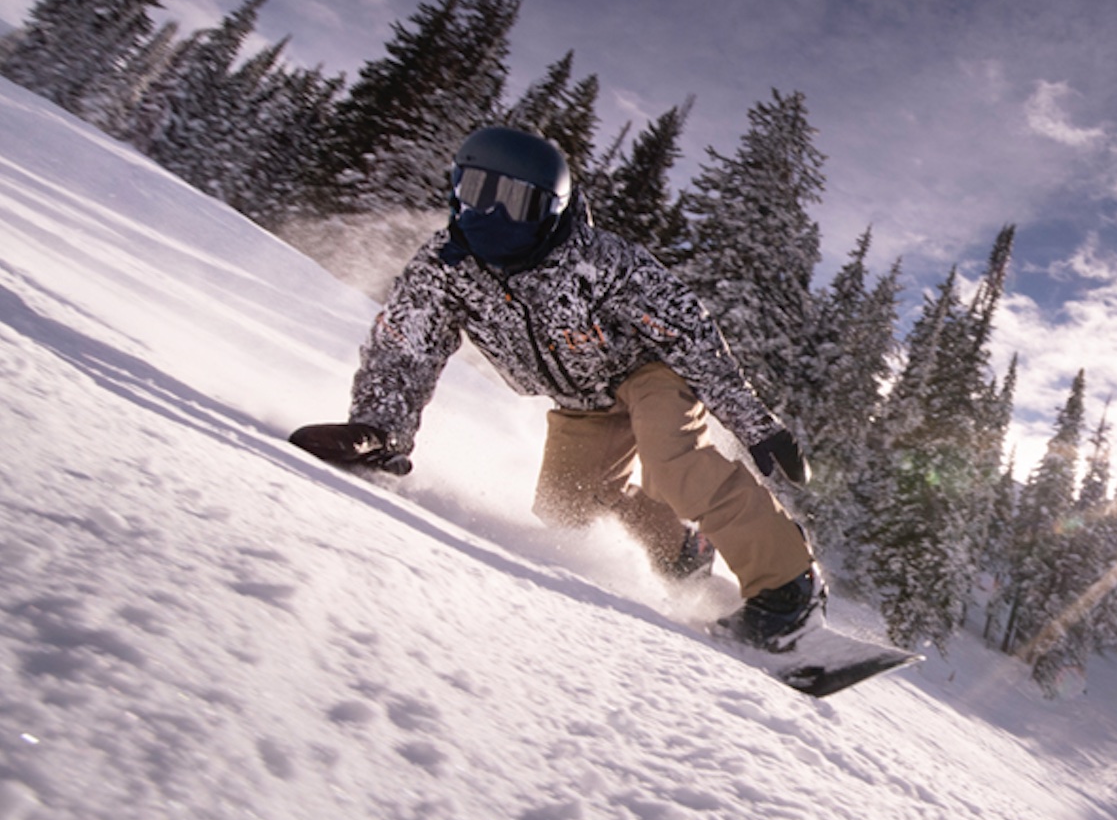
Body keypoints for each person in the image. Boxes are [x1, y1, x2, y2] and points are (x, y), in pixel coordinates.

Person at [308, 126, 824, 651]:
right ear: (456, 189)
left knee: (672, 463)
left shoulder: (601, 263)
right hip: (583, 401)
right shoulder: (446, 267)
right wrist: (381, 430)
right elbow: (405, 348)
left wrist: (754, 423)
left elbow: (689, 334)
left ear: (550, 211)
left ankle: (788, 588)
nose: (491, 215)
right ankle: (681, 553)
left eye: (514, 202)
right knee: (566, 508)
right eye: (477, 193)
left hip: (649, 372)